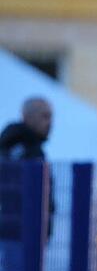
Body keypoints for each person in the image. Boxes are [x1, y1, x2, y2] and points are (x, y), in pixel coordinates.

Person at [0, 97, 55, 236]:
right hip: (16, 233)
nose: (50, 123)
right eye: (45, 116)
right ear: (28, 117)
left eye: (50, 117)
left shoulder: (32, 148)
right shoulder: (18, 149)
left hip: (30, 233)